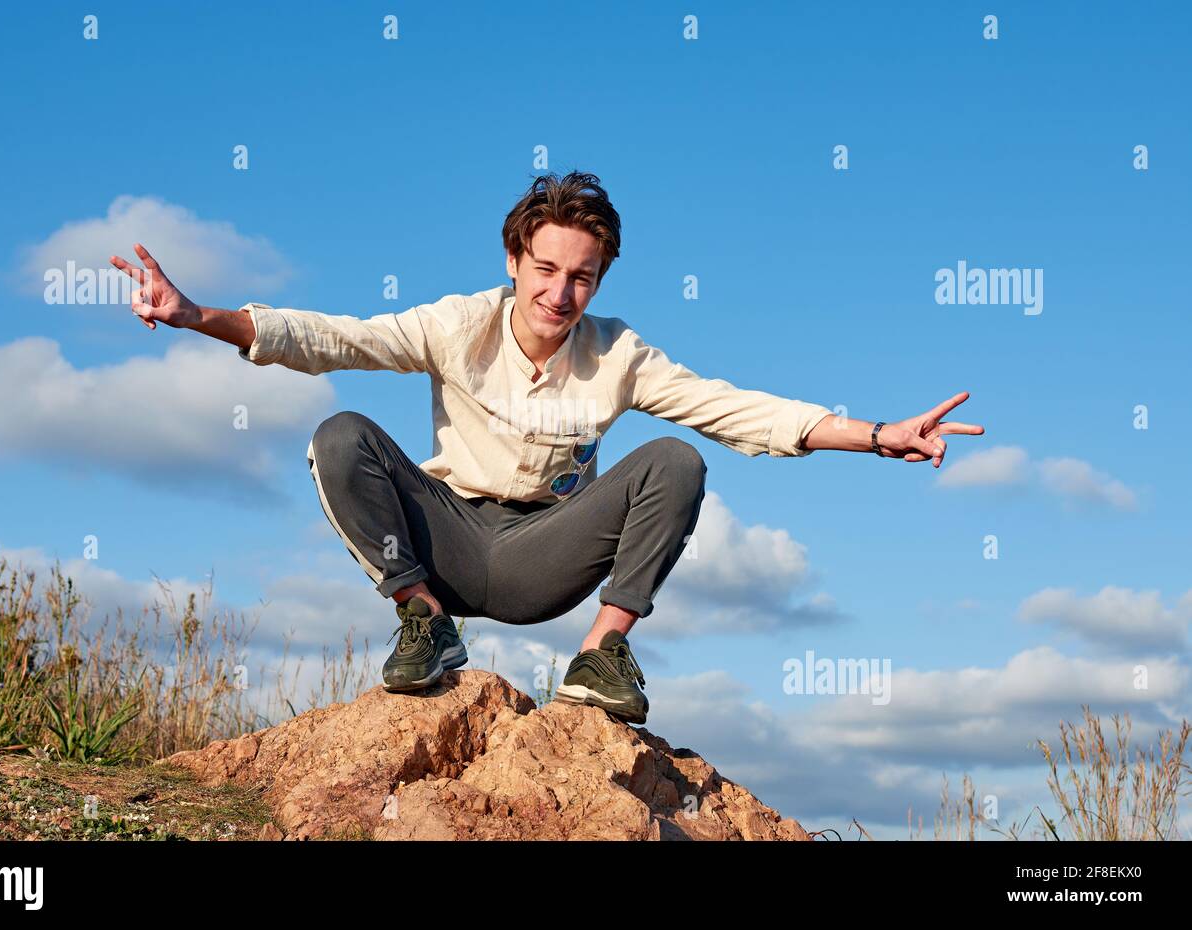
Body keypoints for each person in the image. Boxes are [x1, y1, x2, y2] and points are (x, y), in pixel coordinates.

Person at [109, 171, 984, 725]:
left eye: (582, 278)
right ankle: (422, 623)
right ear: (514, 261)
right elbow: (331, 337)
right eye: (546, 270)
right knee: (341, 437)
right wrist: (199, 317)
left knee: (676, 460)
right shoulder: (457, 324)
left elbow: (732, 410)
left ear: (598, 281)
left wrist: (875, 437)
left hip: (540, 556)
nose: (561, 294)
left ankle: (602, 655)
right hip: (445, 542)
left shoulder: (618, 352)